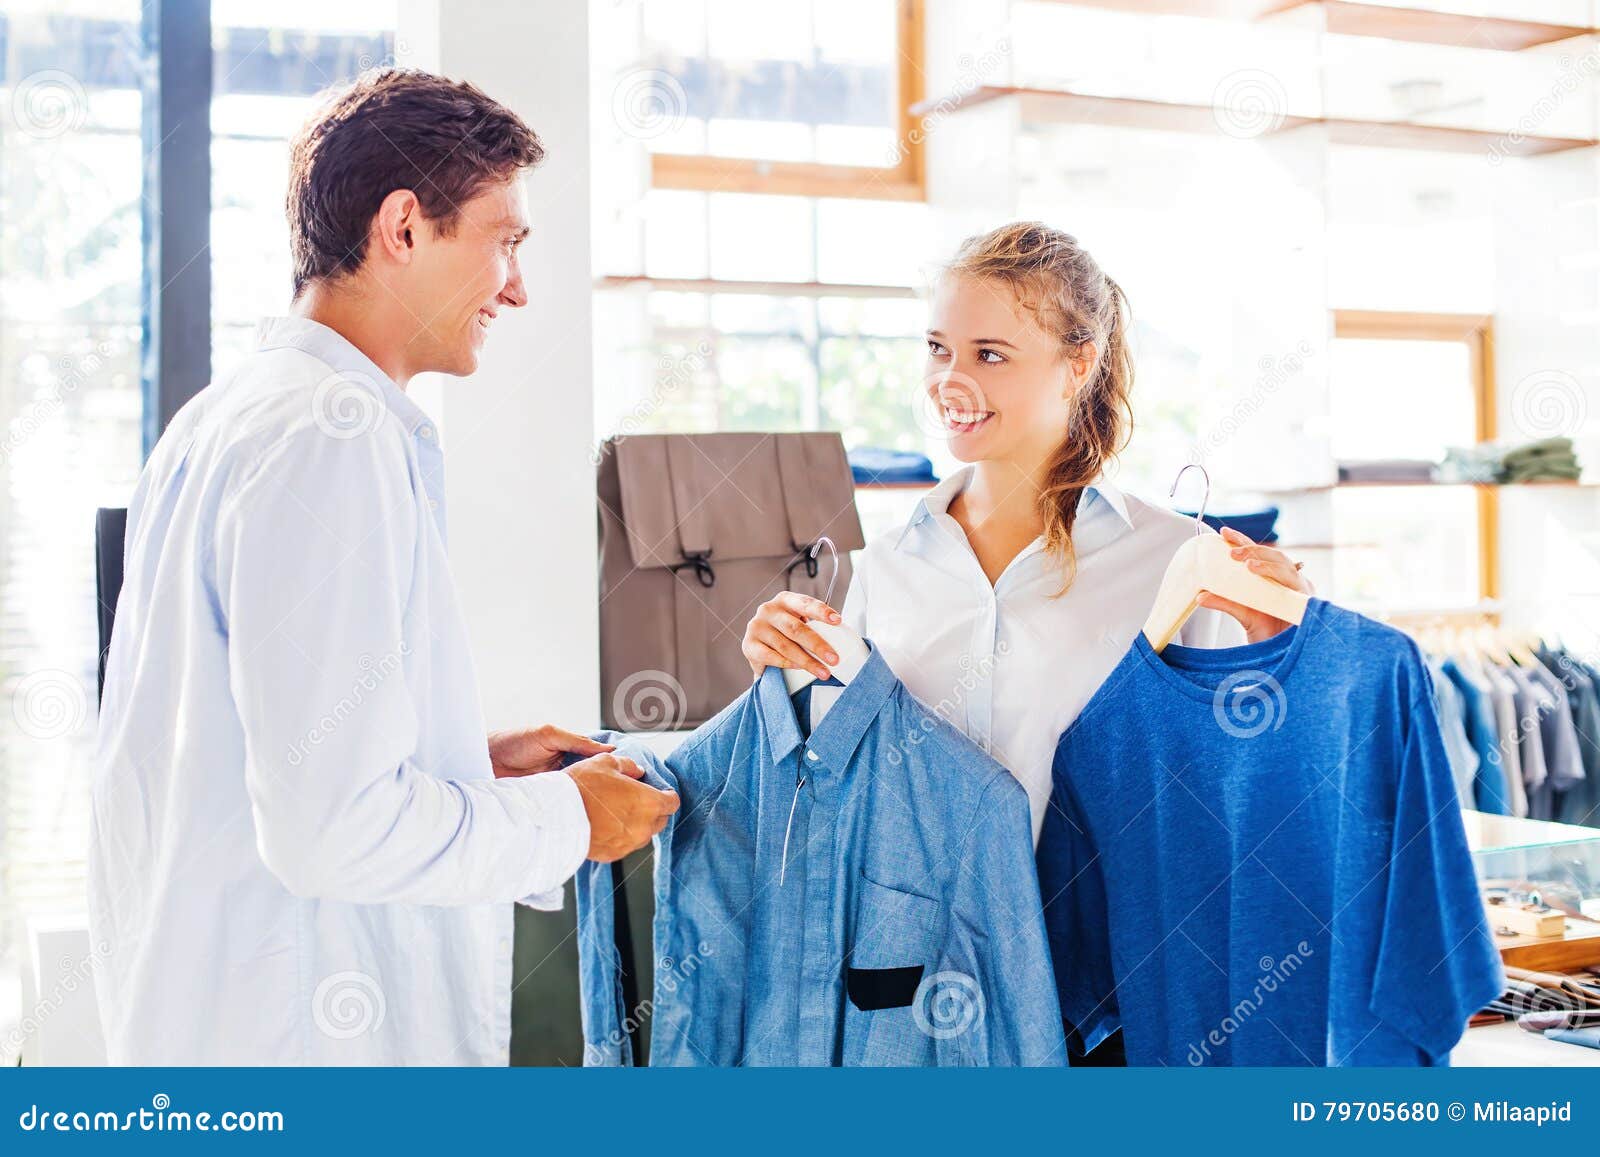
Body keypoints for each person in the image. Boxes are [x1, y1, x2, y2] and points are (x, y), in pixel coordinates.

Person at [89, 68, 678, 1065]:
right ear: (404, 227)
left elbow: (265, 748)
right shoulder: (333, 436)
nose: (519, 286)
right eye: (505, 242)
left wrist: (466, 759)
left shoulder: (235, 416)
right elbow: (333, 832)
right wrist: (563, 821)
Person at [743, 222, 1312, 854]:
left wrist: (1286, 651)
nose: (949, 383)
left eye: (989, 355)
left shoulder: (1176, 563)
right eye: (938, 348)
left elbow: (1250, 790)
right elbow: (837, 785)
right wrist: (783, 680)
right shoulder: (888, 564)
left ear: (1079, 363)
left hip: (1101, 946)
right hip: (922, 951)